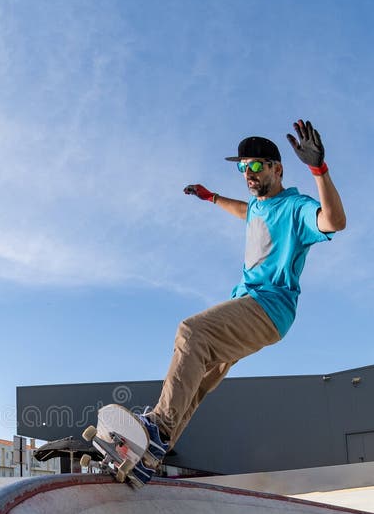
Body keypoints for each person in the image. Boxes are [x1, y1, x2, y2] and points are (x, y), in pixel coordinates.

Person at [134, 118, 346, 483]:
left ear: (277, 169)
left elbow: (334, 221)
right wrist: (211, 197)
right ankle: (150, 457)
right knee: (197, 379)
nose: (248, 173)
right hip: (249, 305)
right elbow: (244, 212)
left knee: (192, 332)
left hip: (267, 307)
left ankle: (156, 427)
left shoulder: (295, 207)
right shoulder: (258, 206)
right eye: (243, 168)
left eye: (256, 166)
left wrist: (319, 170)